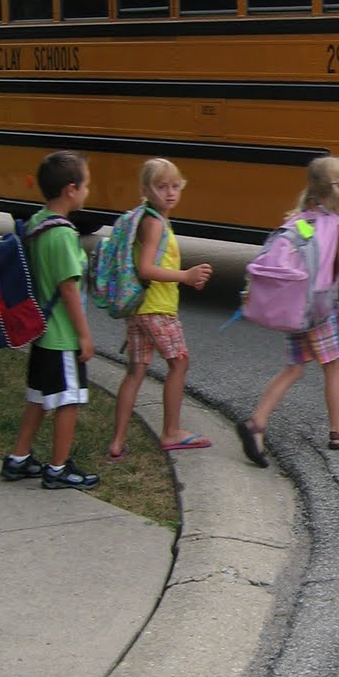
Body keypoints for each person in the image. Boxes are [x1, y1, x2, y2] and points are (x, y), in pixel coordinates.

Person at [237, 155, 339, 468]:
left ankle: (256, 423)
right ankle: (338, 432)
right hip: (320, 309)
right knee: (332, 368)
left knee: (294, 368)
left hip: (296, 307)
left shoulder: (301, 219)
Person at [1, 150, 100, 490]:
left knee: (38, 398)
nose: (88, 191)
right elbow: (69, 290)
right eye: (86, 185)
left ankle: (19, 458)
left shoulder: (36, 222)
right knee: (68, 401)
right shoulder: (63, 234)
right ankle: (58, 468)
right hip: (61, 335)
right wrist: (84, 336)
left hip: (42, 332)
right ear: (70, 189)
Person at [107, 158, 213, 458]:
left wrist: (187, 278)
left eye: (175, 186)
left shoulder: (147, 219)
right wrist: (185, 276)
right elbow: (145, 268)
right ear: (145, 189)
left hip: (139, 308)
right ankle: (171, 432)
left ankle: (117, 442)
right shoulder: (154, 223)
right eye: (161, 186)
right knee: (179, 363)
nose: (170, 192)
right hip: (157, 308)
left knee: (136, 371)